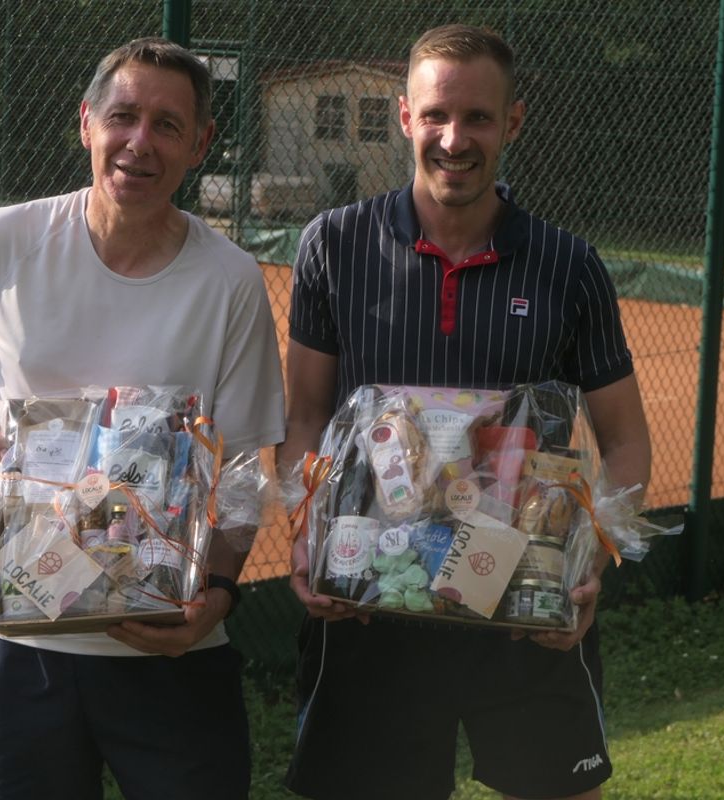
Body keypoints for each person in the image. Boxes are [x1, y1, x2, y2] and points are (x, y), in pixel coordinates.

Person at [0, 38, 285, 800]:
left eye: (168, 125)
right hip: (16, 641)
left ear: (200, 144)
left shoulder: (230, 281)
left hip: (170, 648)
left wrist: (221, 598)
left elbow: (239, 474)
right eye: (123, 117)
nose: (140, 142)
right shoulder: (7, 239)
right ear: (86, 124)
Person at [280, 24, 651, 800]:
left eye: (479, 117)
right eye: (438, 116)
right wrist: (306, 534)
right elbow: (306, 419)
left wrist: (590, 562)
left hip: (523, 603)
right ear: (405, 118)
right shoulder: (333, 246)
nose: (456, 139)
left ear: (512, 122)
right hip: (375, 602)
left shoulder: (569, 265)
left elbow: (623, 440)